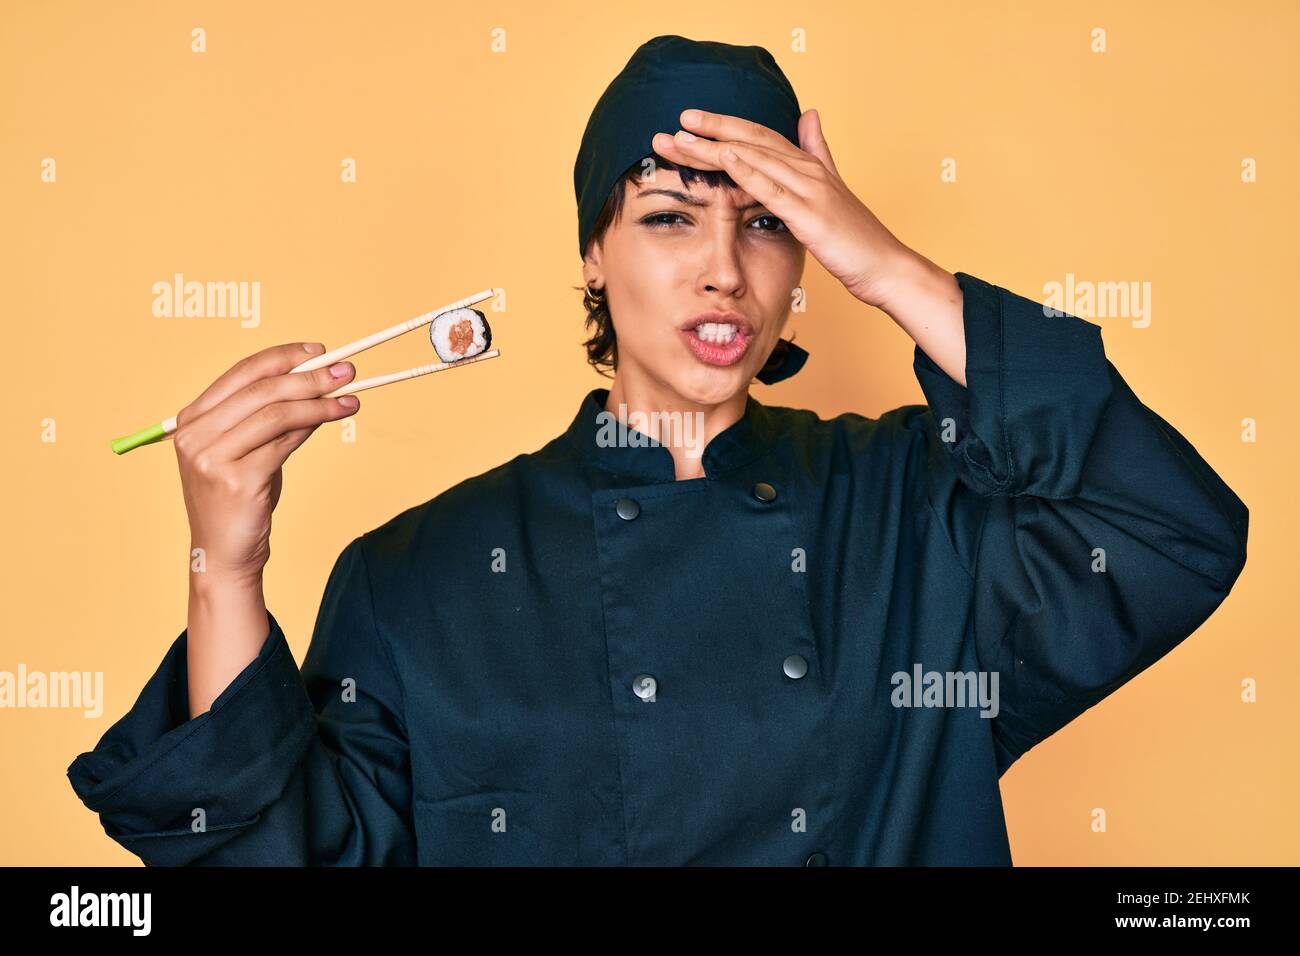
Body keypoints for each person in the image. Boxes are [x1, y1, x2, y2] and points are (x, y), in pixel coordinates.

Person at [67, 35, 1248, 866]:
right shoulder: (420, 574)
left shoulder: (913, 512)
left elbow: (1171, 528)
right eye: (670, 216)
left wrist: (892, 270)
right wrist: (222, 569)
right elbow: (285, 860)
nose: (724, 268)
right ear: (592, 251)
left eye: (770, 223)